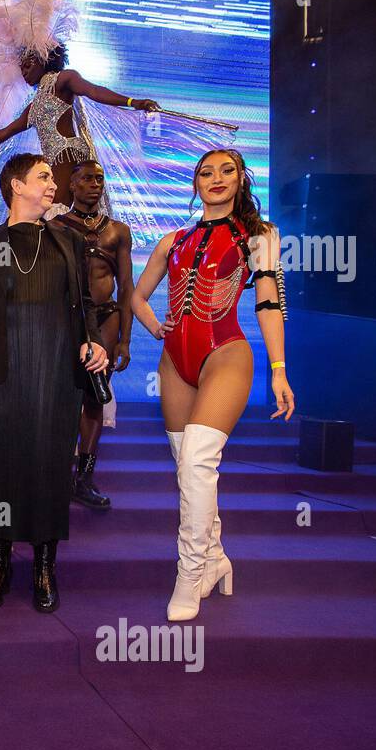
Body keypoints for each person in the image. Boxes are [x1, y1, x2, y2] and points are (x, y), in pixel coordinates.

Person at [130, 148, 295, 622]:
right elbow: (137, 296)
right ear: (196, 184)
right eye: (206, 172)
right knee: (189, 469)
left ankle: (189, 573)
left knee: (197, 461)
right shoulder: (172, 240)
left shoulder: (259, 236)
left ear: (241, 180)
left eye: (227, 171)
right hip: (174, 361)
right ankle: (217, 557)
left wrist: (279, 369)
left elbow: (268, 303)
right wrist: (154, 326)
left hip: (226, 353)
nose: (216, 178)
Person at [0, 154, 108, 614]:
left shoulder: (68, 241)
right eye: (42, 176)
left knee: (49, 467)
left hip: (57, 372)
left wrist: (94, 342)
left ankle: (44, 566)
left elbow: (84, 303)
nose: (52, 184)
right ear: (16, 186)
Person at [0, 0, 158, 211]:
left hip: (71, 157)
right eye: (21, 68)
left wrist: (133, 102)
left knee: (63, 215)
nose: (24, 72)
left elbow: (94, 91)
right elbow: (5, 133)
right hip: (55, 162)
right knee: (58, 216)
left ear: (43, 57)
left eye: (28, 64)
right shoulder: (34, 107)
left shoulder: (63, 79)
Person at [52, 159, 135, 508]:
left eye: (99, 179)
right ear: (72, 185)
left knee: (95, 397)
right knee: (61, 397)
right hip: (67, 321)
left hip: (106, 319)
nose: (94, 185)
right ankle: (56, 474)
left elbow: (126, 287)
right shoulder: (55, 226)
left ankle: (84, 479)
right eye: (86, 179)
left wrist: (125, 339)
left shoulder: (118, 231)